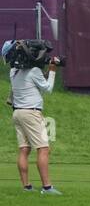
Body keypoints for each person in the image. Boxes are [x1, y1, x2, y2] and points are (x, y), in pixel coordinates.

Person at [5, 40, 61, 195]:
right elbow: (48, 88)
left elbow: (32, 82)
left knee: (24, 149)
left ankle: (27, 187)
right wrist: (53, 69)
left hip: (18, 113)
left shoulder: (13, 72)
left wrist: (46, 70)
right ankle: (47, 187)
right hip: (32, 113)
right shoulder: (34, 72)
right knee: (44, 148)